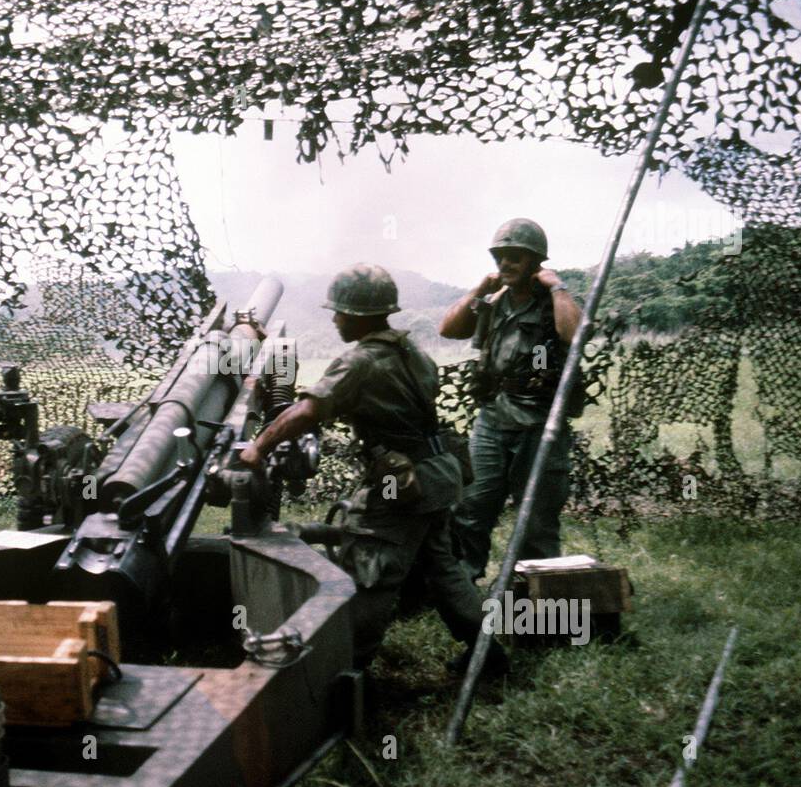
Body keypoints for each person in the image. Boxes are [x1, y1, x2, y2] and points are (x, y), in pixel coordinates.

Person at [239, 263, 506, 676]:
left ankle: (347, 673)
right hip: (438, 473)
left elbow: (307, 411)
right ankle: (489, 653)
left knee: (371, 571)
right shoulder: (410, 351)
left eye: (339, 311)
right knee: (444, 571)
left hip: (405, 483)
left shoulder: (360, 362)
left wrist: (258, 447)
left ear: (359, 315)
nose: (334, 318)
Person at [439, 218, 583, 584]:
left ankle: (533, 595)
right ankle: (465, 587)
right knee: (472, 508)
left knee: (535, 517)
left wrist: (558, 287)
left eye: (514, 257)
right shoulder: (494, 302)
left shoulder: (553, 302)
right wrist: (478, 289)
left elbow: (577, 333)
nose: (505, 265)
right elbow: (450, 329)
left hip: (538, 424)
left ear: (535, 261)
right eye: (500, 257)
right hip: (492, 420)